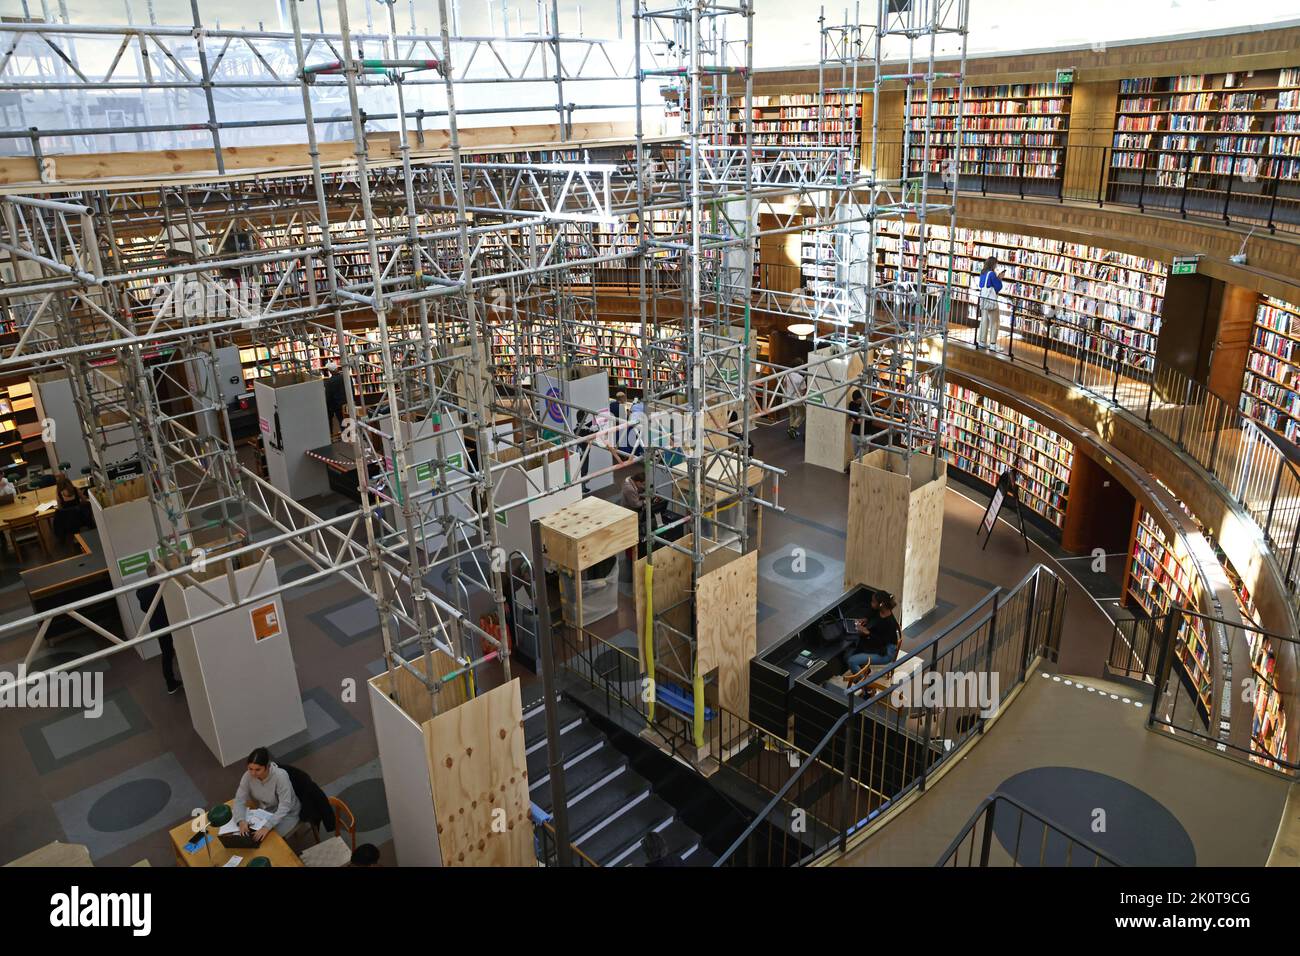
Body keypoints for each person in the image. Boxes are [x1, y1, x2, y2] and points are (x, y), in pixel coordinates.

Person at [233, 747, 301, 841]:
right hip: (267, 811)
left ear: (267, 766)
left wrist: (267, 827)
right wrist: (241, 820)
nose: (253, 773)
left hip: (288, 814)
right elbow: (239, 800)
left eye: (258, 769)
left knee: (265, 841)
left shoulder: (280, 777)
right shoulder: (247, 776)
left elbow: (285, 806)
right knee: (248, 835)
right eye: (250, 768)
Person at [136, 568, 182, 695]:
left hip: (158, 627)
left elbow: (146, 609)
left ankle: (170, 683)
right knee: (179, 650)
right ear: (156, 574)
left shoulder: (143, 592)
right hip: (172, 623)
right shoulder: (162, 589)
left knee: (167, 653)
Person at [843, 592, 901, 679]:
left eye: (873, 602)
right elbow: (872, 611)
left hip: (886, 652)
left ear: (881, 604)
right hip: (879, 644)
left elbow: (881, 642)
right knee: (847, 655)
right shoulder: (881, 610)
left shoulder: (890, 623)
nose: (871, 603)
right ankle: (864, 670)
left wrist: (867, 633)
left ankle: (865, 686)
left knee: (852, 661)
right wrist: (866, 618)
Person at [976, 255, 1004, 350]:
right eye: (996, 264)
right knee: (995, 322)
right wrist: (999, 278)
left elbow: (981, 284)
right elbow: (998, 287)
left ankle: (982, 341)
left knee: (984, 321)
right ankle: (993, 344)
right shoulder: (992, 274)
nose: (996, 266)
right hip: (991, 301)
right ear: (993, 264)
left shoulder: (983, 272)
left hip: (983, 299)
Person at [51, 474, 88, 544]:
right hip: (80, 518)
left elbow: (60, 508)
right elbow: (84, 501)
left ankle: (67, 538)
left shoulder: (60, 495)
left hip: (67, 521)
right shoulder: (76, 490)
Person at [323, 361, 348, 437]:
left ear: (330, 371)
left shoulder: (329, 382)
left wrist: (328, 406)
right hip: (347, 402)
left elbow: (328, 396)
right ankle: (350, 432)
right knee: (349, 418)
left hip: (337, 405)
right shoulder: (345, 377)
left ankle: (345, 434)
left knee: (341, 419)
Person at [784, 369, 806, 439]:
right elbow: (803, 389)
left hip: (788, 398)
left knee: (792, 414)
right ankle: (793, 428)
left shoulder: (787, 375)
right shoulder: (801, 378)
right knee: (803, 414)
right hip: (797, 399)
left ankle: (791, 431)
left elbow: (784, 385)